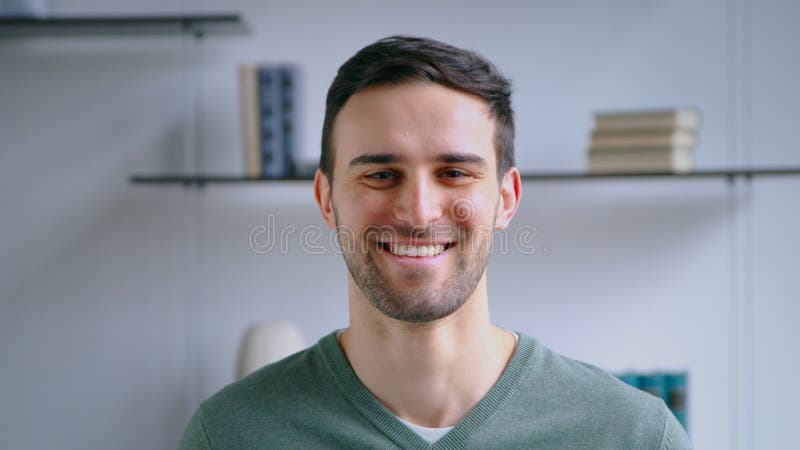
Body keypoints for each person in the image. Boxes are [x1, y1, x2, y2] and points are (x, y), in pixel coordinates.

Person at [179, 35, 692, 449]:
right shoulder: (228, 436)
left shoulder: (635, 437)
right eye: (381, 174)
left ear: (507, 199)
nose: (419, 212)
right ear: (327, 197)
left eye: (453, 172)